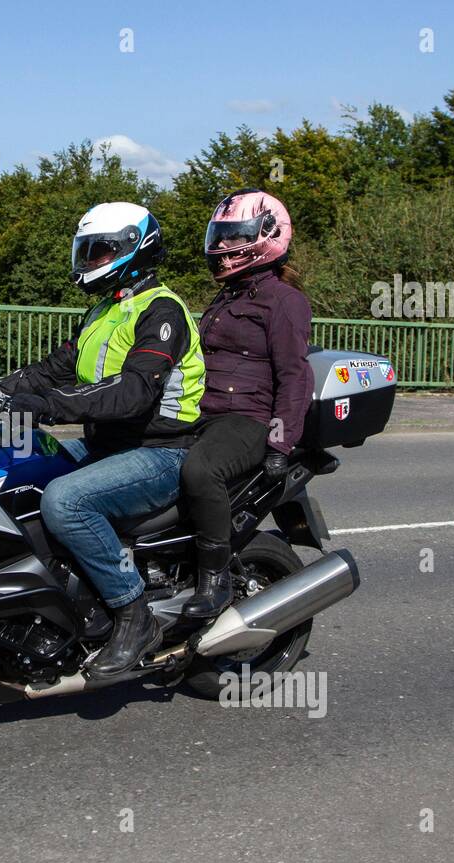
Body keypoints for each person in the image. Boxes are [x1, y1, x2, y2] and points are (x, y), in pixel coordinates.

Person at [0, 202, 205, 678]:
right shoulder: (104, 309)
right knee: (9, 463)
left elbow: (133, 392)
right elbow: (53, 369)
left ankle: (134, 617)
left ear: (135, 250)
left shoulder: (162, 311)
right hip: (107, 446)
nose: (89, 261)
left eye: (99, 251)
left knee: (65, 500)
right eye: (86, 251)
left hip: (159, 451)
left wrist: (48, 405)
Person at [180, 188, 314, 619]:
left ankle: (215, 580)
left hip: (249, 417)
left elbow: (295, 374)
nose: (221, 247)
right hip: (206, 412)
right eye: (219, 237)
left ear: (267, 237)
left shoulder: (285, 301)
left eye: (232, 237)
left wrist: (280, 445)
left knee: (202, 469)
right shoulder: (230, 296)